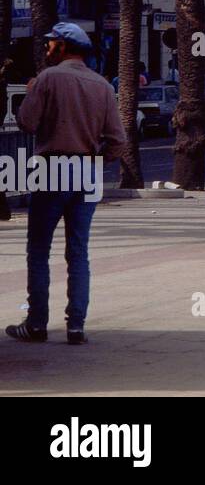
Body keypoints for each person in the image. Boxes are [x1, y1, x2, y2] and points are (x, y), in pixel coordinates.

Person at [6, 24, 126, 344]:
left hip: (53, 169)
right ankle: (76, 326)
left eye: (50, 45)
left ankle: (36, 324)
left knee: (38, 249)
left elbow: (27, 123)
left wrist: (32, 92)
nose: (46, 50)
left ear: (62, 47)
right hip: (86, 171)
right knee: (78, 251)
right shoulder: (102, 86)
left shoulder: (47, 79)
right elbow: (117, 141)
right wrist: (93, 157)